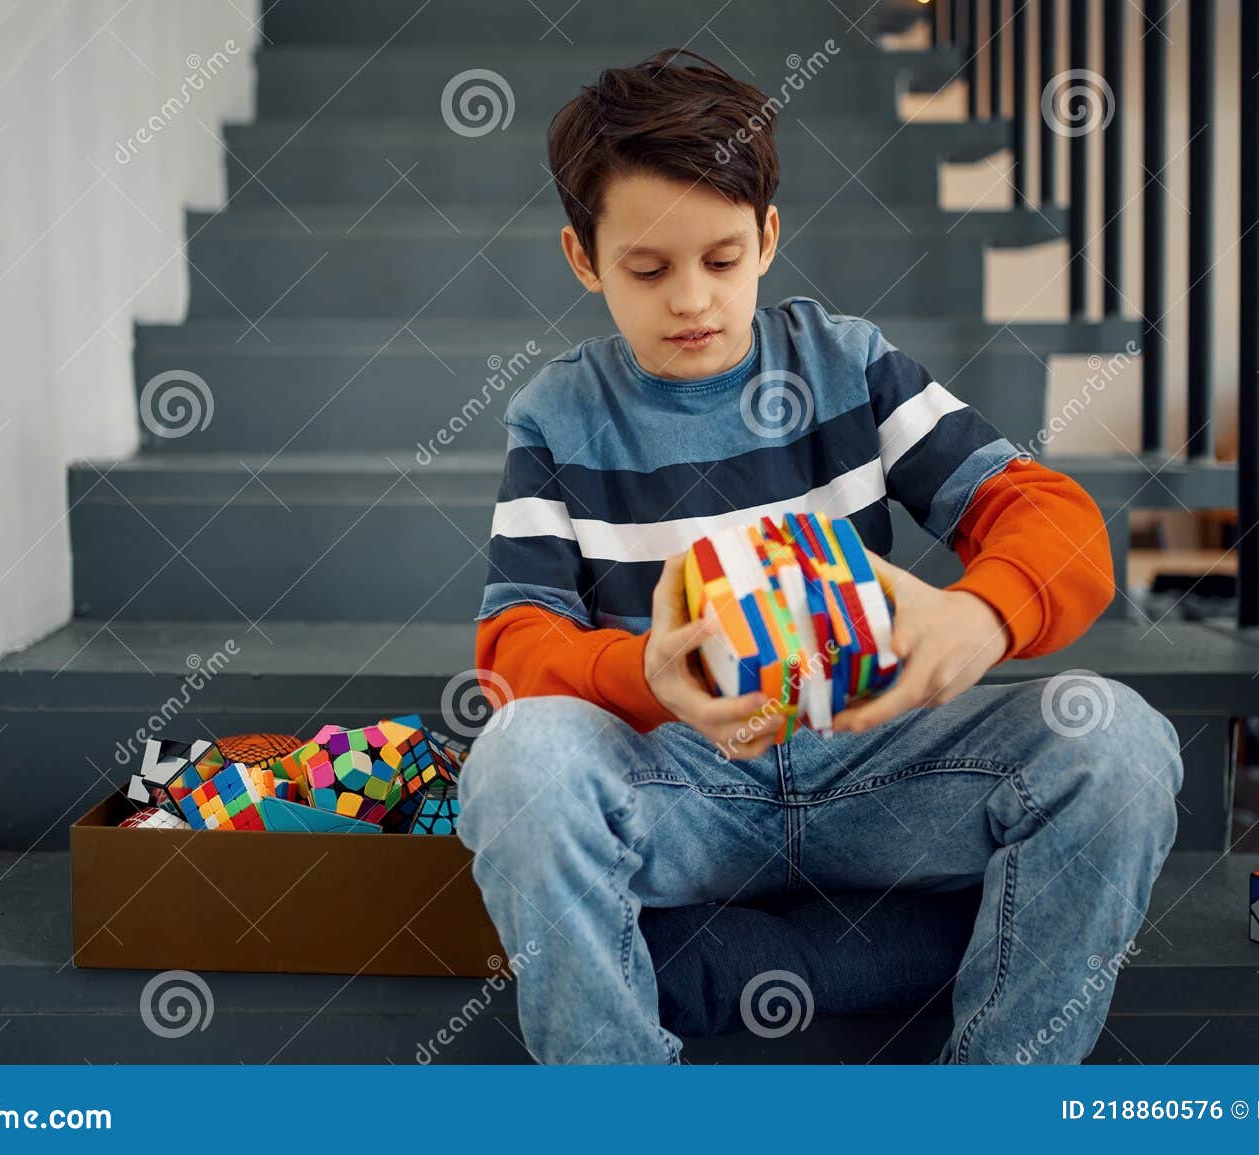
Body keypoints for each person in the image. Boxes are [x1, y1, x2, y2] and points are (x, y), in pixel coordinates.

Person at [456, 49, 1182, 1064]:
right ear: (584, 259)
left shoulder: (848, 364)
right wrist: (646, 676)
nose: (691, 304)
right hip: (686, 787)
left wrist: (979, 616)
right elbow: (513, 646)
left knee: (1116, 742)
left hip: (878, 763)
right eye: (647, 270)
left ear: (766, 236)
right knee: (520, 762)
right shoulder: (557, 417)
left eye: (721, 260)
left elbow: (1046, 514)